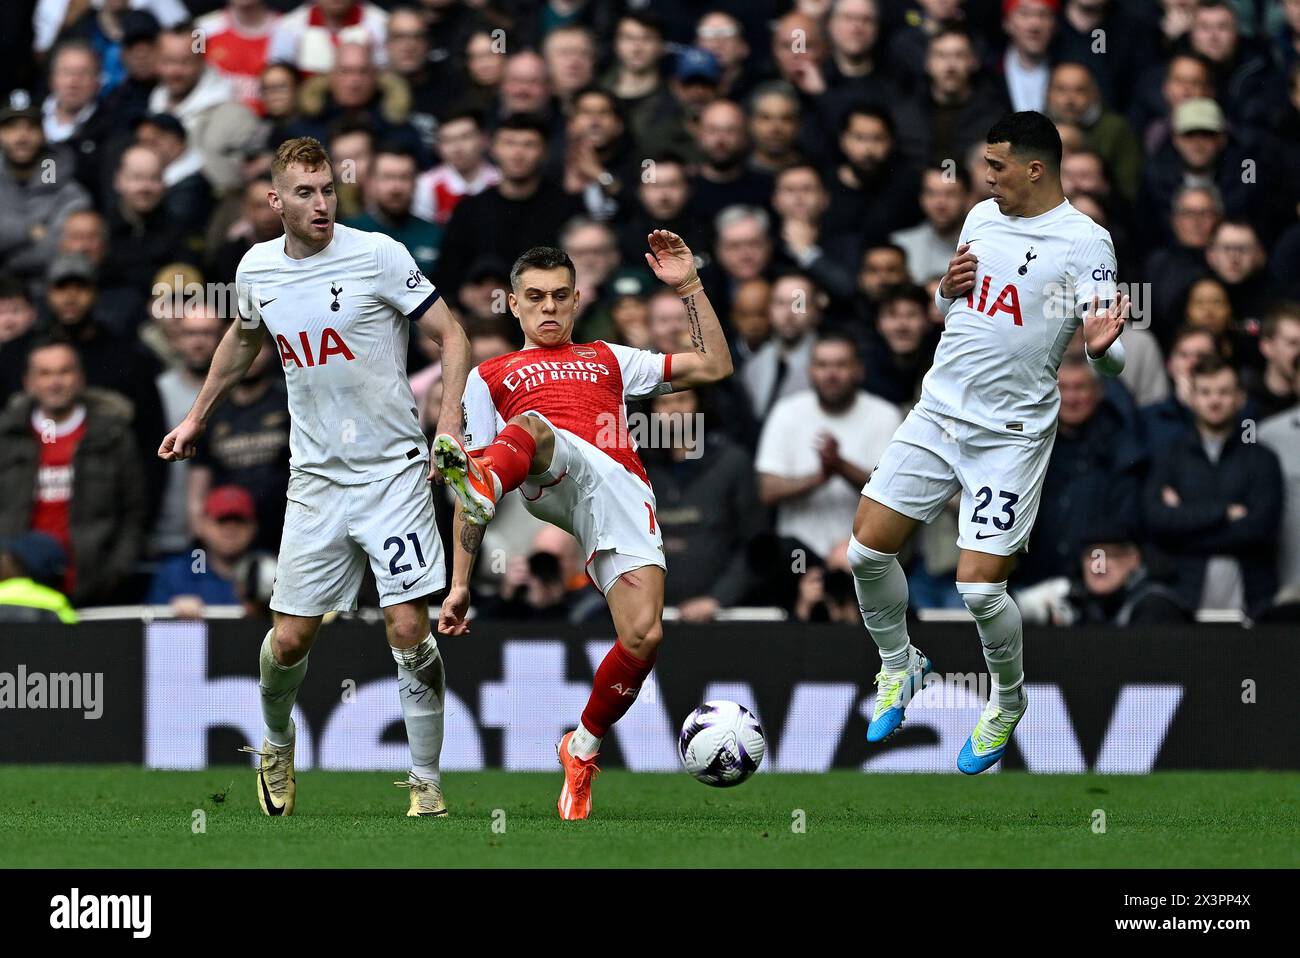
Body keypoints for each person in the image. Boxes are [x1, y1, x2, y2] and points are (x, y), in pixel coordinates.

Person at [157, 136, 472, 820]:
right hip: (317, 482)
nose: (322, 202)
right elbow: (242, 339)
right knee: (292, 638)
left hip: (393, 474)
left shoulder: (378, 254)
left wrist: (447, 419)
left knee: (407, 627)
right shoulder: (257, 270)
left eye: (328, 188)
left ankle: (425, 783)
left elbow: (453, 335)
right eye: (305, 192)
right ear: (275, 201)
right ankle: (275, 742)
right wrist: (197, 418)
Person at [847, 111, 1130, 774]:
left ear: (1036, 168)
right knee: (865, 553)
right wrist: (944, 295)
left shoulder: (1086, 243)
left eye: (997, 167)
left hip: (1010, 435)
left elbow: (1105, 353)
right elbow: (962, 307)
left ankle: (1005, 702)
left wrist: (1105, 352)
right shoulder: (980, 217)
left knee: (979, 591)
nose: (986, 178)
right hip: (938, 412)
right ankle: (900, 663)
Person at [433, 232, 734, 820]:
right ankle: (489, 474)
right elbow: (464, 498)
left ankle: (583, 745)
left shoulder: (611, 359)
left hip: (616, 490)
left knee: (643, 636)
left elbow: (716, 365)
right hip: (542, 470)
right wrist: (460, 581)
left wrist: (691, 285)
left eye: (560, 296)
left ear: (576, 302)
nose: (549, 307)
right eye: (536, 296)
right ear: (513, 304)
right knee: (536, 429)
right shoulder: (488, 376)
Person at [0, 340, 146, 606]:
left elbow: (134, 512)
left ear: (80, 378)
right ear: (28, 382)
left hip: (93, 583)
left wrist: (115, 571)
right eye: (45, 373)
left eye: (64, 372)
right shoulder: (7, 434)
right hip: (16, 586)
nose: (55, 382)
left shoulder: (112, 434)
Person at [1142, 355, 1283, 618]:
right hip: (1181, 599)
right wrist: (1225, 513)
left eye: (1224, 392)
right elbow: (1157, 522)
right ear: (1191, 397)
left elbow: (1259, 530)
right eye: (1205, 392)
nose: (1214, 400)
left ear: (1240, 398)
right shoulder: (1169, 457)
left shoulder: (1262, 458)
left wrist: (1185, 520)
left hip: (1255, 603)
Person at [757, 331, 902, 562]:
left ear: (859, 370)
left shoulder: (886, 416)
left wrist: (841, 466)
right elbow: (768, 490)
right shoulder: (786, 412)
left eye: (841, 365)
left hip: (865, 557)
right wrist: (819, 477)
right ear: (810, 371)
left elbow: (895, 495)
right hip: (798, 557)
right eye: (822, 365)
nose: (831, 374)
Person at [146, 484, 262, 616]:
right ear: (203, 525)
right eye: (221, 521)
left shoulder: (270, 572)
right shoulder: (175, 575)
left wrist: (264, 616)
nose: (230, 530)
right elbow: (149, 630)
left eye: (239, 522)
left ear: (253, 528)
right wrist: (172, 615)